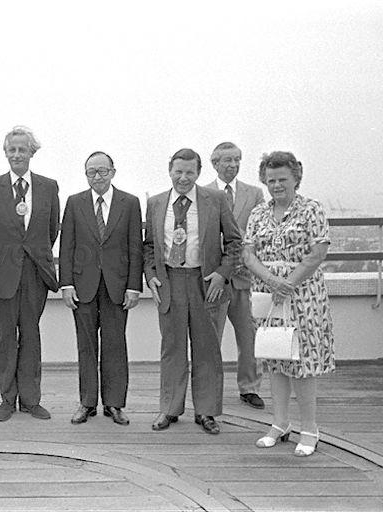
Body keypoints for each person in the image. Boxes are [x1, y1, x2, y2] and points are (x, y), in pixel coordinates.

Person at [142, 148, 242, 435]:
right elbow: (149, 246)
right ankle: (170, 409)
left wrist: (222, 275)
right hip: (170, 282)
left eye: (190, 172)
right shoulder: (156, 203)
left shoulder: (216, 200)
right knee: (172, 348)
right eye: (178, 172)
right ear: (169, 170)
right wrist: (151, 276)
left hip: (205, 283)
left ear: (199, 173)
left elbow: (235, 242)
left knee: (207, 349)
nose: (183, 178)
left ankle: (207, 412)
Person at [243, 151, 334, 457]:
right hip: (268, 294)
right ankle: (280, 424)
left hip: (303, 295)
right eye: (271, 180)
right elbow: (248, 254)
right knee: (274, 358)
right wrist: (272, 280)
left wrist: (289, 282)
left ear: (296, 177)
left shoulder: (312, 210)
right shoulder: (258, 214)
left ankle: (309, 429)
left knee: (303, 363)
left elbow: (318, 251)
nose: (277, 185)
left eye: (282, 179)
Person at [0, 126, 60, 422]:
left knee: (31, 335)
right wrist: (8, 255)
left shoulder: (49, 187)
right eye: (11, 150)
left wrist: (30, 254)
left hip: (35, 273)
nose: (16, 155)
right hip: (3, 273)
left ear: (31, 153)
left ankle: (31, 399)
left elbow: (51, 230)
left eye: (22, 150)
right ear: (5, 153)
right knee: (6, 337)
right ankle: (7, 400)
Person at [59, 151, 142, 426]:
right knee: (86, 346)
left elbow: (135, 247)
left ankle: (114, 404)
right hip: (83, 286)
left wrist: (133, 286)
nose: (98, 176)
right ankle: (87, 403)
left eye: (103, 171)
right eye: (92, 172)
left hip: (117, 287)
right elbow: (67, 246)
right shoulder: (74, 203)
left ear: (113, 172)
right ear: (86, 175)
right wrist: (66, 284)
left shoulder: (129, 203)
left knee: (115, 345)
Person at [206, 142, 266, 409]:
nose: (232, 165)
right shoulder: (202, 193)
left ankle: (249, 388)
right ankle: (209, 389)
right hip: (215, 279)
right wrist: (223, 267)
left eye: (237, 160)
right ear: (215, 163)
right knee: (211, 337)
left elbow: (260, 232)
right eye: (227, 160)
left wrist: (244, 261)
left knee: (248, 335)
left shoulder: (254, 194)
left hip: (244, 277)